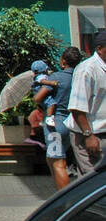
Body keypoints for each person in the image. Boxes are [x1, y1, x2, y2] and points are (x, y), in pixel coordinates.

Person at [34, 49, 79, 188]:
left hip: (55, 124)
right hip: (73, 122)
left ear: (63, 61)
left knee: (58, 163)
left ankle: (66, 201)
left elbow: (38, 97)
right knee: (52, 159)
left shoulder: (56, 77)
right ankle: (60, 195)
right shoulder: (79, 77)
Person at [69, 31, 106, 173]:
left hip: (102, 132)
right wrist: (89, 135)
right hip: (88, 134)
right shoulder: (87, 69)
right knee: (93, 179)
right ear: (99, 49)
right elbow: (76, 107)